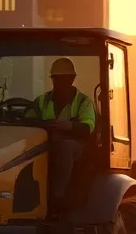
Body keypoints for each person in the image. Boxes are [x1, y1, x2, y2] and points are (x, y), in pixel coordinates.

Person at [28, 57, 96, 214]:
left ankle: (57, 197)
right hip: (46, 142)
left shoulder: (83, 102)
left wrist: (69, 126)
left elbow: (88, 127)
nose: (60, 83)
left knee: (65, 147)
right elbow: (27, 121)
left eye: (64, 79)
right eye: (57, 79)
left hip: (77, 146)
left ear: (72, 79)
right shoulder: (42, 101)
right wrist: (44, 125)